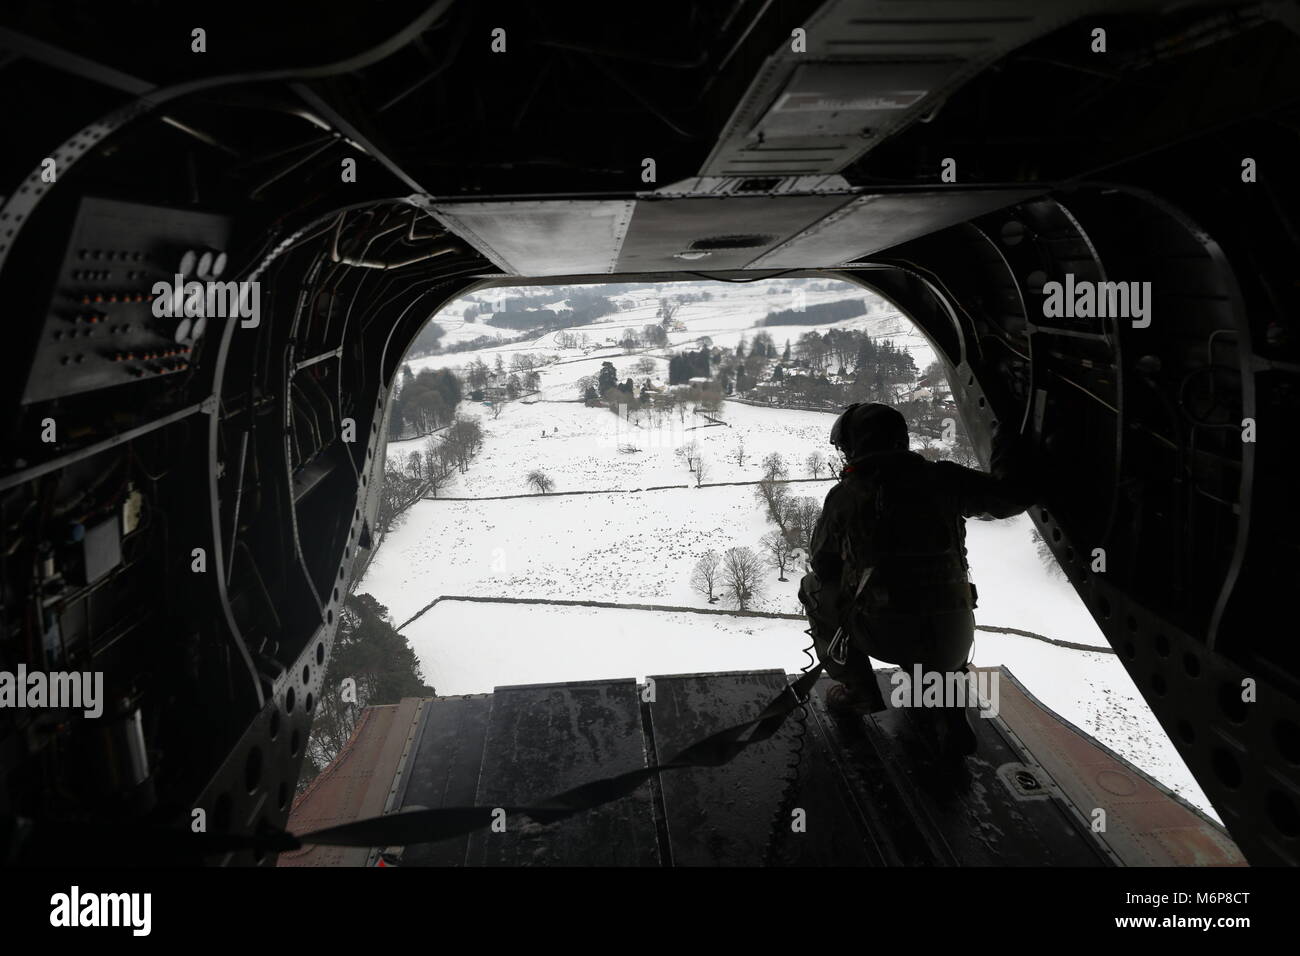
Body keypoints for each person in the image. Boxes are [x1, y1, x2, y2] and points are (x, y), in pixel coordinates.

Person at [798, 402, 1036, 756]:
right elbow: (1011, 497)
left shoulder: (846, 496)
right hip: (954, 638)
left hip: (888, 637)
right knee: (931, 612)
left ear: (854, 447)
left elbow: (823, 566)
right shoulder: (946, 479)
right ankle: (951, 716)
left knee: (813, 589)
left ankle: (858, 691)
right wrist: (1008, 437)